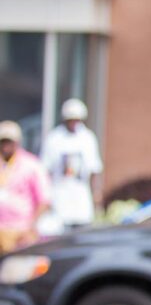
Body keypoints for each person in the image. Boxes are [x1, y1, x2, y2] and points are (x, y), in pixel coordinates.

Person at [40, 99, 103, 230]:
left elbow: (94, 169)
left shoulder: (87, 138)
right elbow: (45, 170)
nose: (74, 123)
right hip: (60, 198)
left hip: (81, 200)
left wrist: (96, 193)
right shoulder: (54, 138)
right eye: (71, 119)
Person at [0, 121, 51, 254]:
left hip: (20, 232)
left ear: (17, 142)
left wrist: (31, 226)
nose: (5, 146)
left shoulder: (31, 165)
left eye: (9, 142)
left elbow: (44, 201)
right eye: (2, 142)